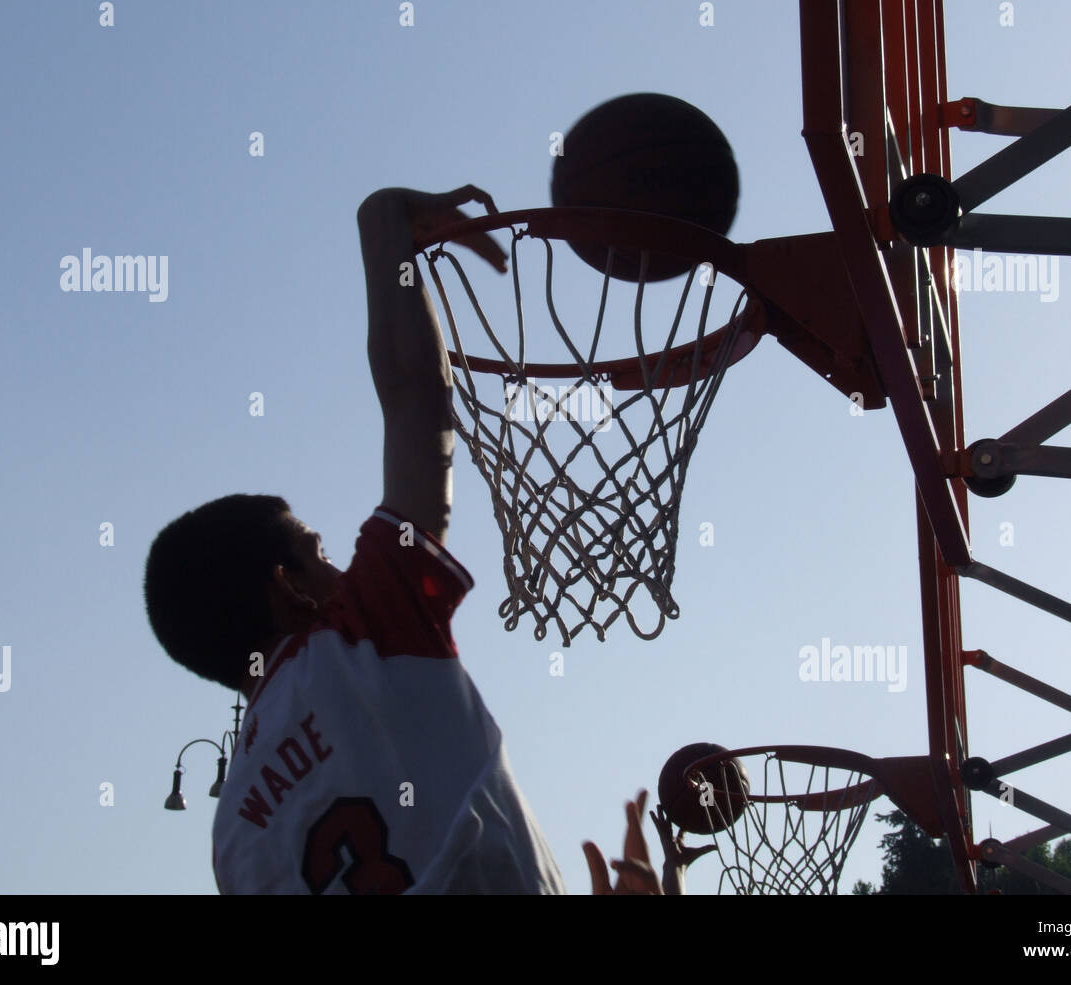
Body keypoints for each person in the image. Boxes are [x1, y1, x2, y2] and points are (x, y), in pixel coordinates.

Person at [144, 185, 682, 894]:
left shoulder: (232, 841)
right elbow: (416, 396)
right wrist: (384, 229)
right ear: (289, 587)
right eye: (320, 552)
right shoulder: (358, 637)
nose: (340, 567)